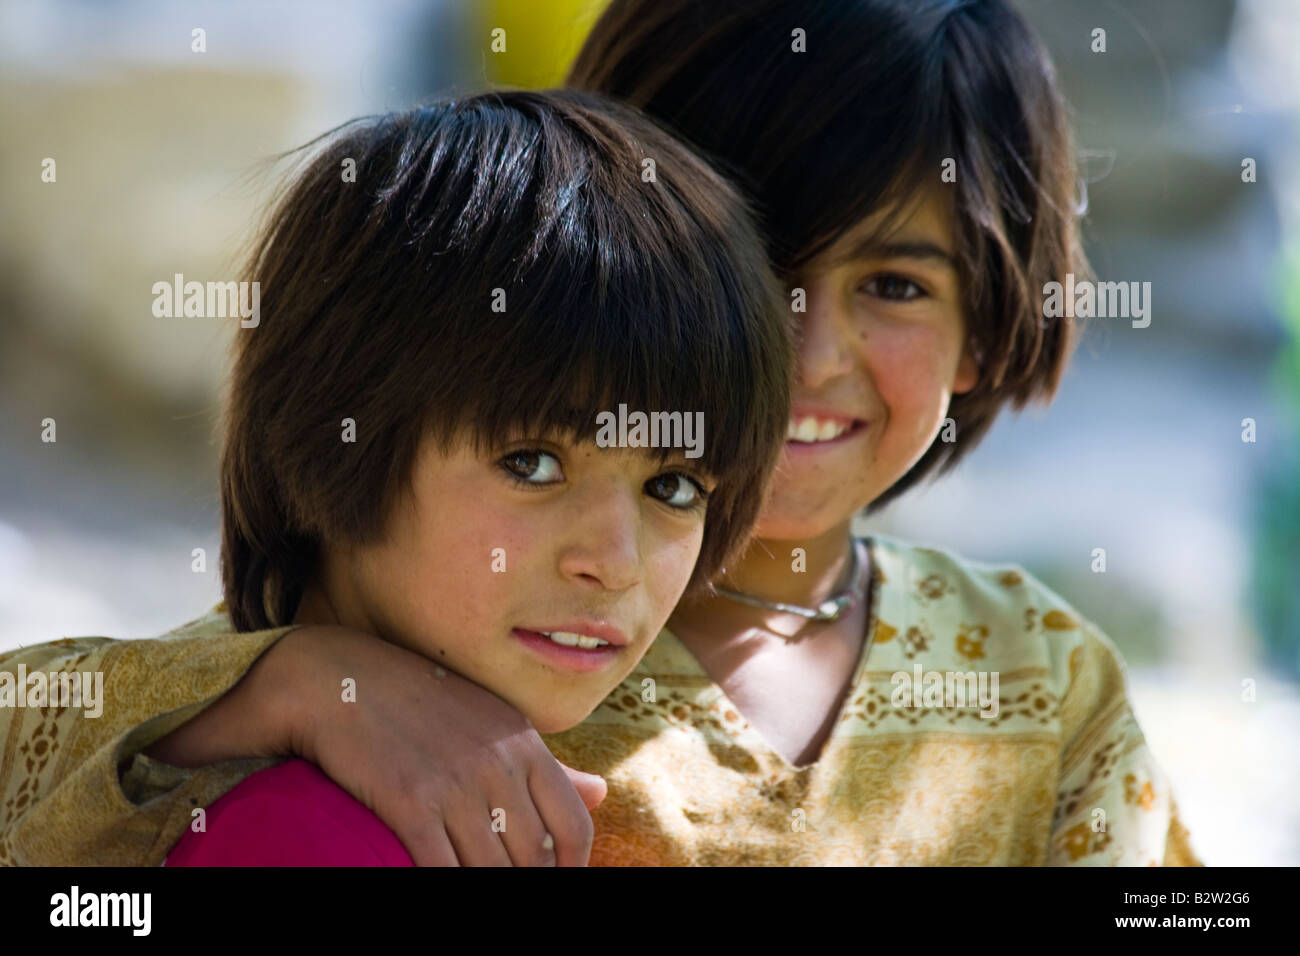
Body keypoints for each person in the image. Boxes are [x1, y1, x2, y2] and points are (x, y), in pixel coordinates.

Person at [3, 0, 1201, 867]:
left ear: (987, 328)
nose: (805, 352)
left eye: (896, 284)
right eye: (747, 263)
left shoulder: (1043, 676)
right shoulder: (453, 617)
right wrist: (294, 682)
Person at [0, 87, 793, 866]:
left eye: (675, 488)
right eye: (532, 464)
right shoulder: (301, 834)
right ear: (335, 439)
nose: (615, 561)